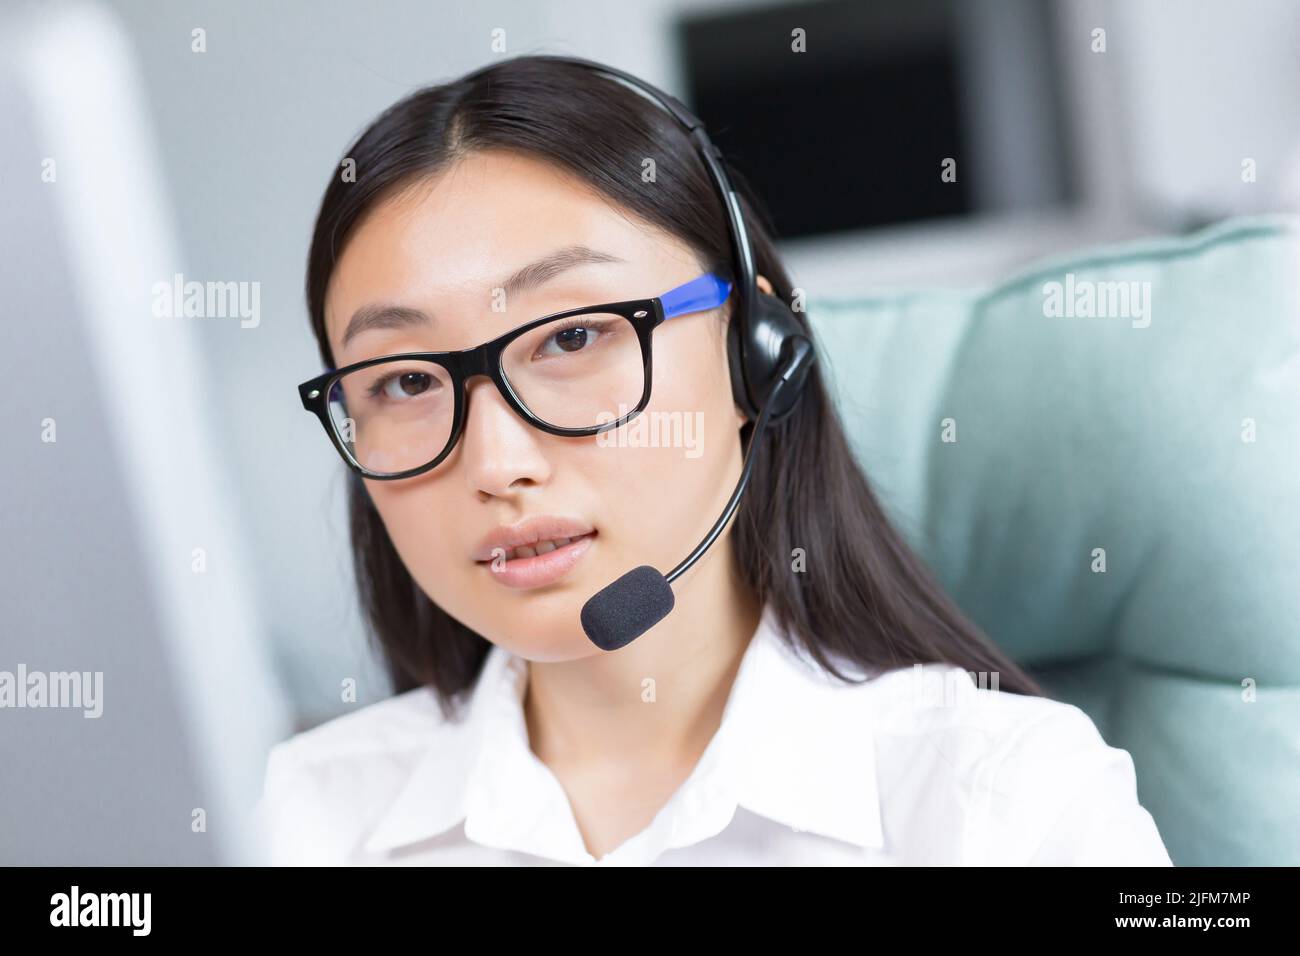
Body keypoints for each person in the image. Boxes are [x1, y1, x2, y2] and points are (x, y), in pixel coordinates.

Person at [256, 55, 1173, 866]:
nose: (497, 462)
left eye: (574, 335)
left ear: (755, 353)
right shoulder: (302, 816)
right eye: (405, 383)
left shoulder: (1005, 802)